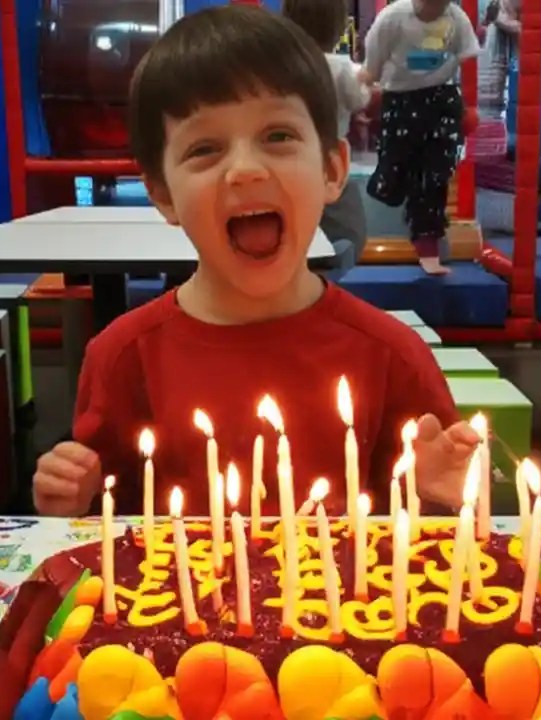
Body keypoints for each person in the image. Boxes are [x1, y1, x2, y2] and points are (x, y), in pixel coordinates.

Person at [32, 5, 478, 519]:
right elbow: (104, 516)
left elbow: (434, 529)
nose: (244, 170)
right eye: (204, 148)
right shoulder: (121, 358)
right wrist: (71, 496)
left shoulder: (393, 357)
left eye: (277, 137)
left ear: (333, 169)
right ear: (163, 195)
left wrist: (438, 494)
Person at [360, 0, 481, 276]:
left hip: (441, 97)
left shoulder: (456, 19)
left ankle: (428, 242)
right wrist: (365, 90)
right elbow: (373, 65)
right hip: (401, 100)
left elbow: (467, 60)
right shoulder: (394, 18)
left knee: (435, 176)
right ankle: (393, 190)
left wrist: (468, 108)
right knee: (395, 173)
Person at [283, 0, 371, 268]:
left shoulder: (283, 64)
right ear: (339, 28)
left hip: (289, 152)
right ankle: (330, 259)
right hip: (328, 153)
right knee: (344, 217)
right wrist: (365, 83)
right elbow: (358, 100)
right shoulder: (340, 66)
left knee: (293, 210)